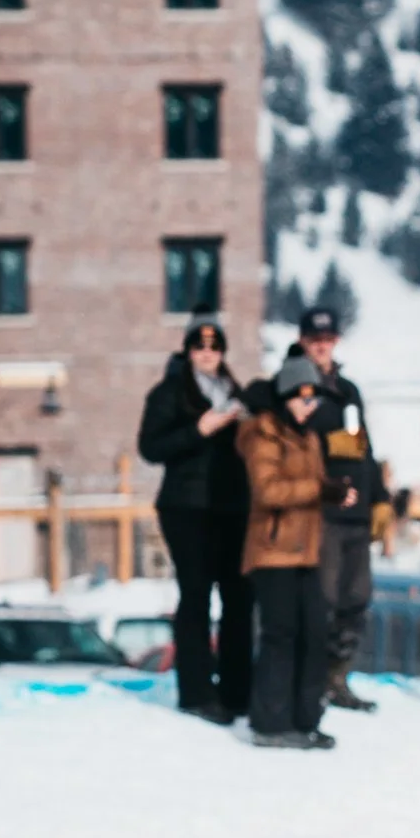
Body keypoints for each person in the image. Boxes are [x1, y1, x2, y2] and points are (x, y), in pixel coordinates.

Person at [139, 316, 252, 724]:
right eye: (200, 346)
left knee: (240, 599)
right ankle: (198, 692)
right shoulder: (170, 393)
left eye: (214, 346)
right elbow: (150, 447)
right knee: (197, 597)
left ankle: (239, 691)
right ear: (188, 351)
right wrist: (198, 429)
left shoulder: (233, 391)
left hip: (232, 506)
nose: (207, 353)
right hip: (188, 506)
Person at [238, 351, 339, 749]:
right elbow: (268, 490)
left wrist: (336, 493)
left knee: (315, 634)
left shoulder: (309, 437)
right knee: (280, 636)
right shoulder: (263, 433)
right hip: (273, 551)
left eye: (313, 399)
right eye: (302, 398)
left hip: (306, 552)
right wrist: (319, 490)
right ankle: (270, 722)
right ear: (285, 397)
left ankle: (305, 718)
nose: (308, 406)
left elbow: (314, 486)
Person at [294, 303, 383, 715]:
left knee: (356, 597)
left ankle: (337, 676)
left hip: (357, 512)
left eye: (328, 340)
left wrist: (379, 496)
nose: (322, 347)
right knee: (324, 598)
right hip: (322, 511)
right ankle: (312, 679)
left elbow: (364, 449)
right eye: (315, 340)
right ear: (302, 342)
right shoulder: (296, 388)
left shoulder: (348, 391)